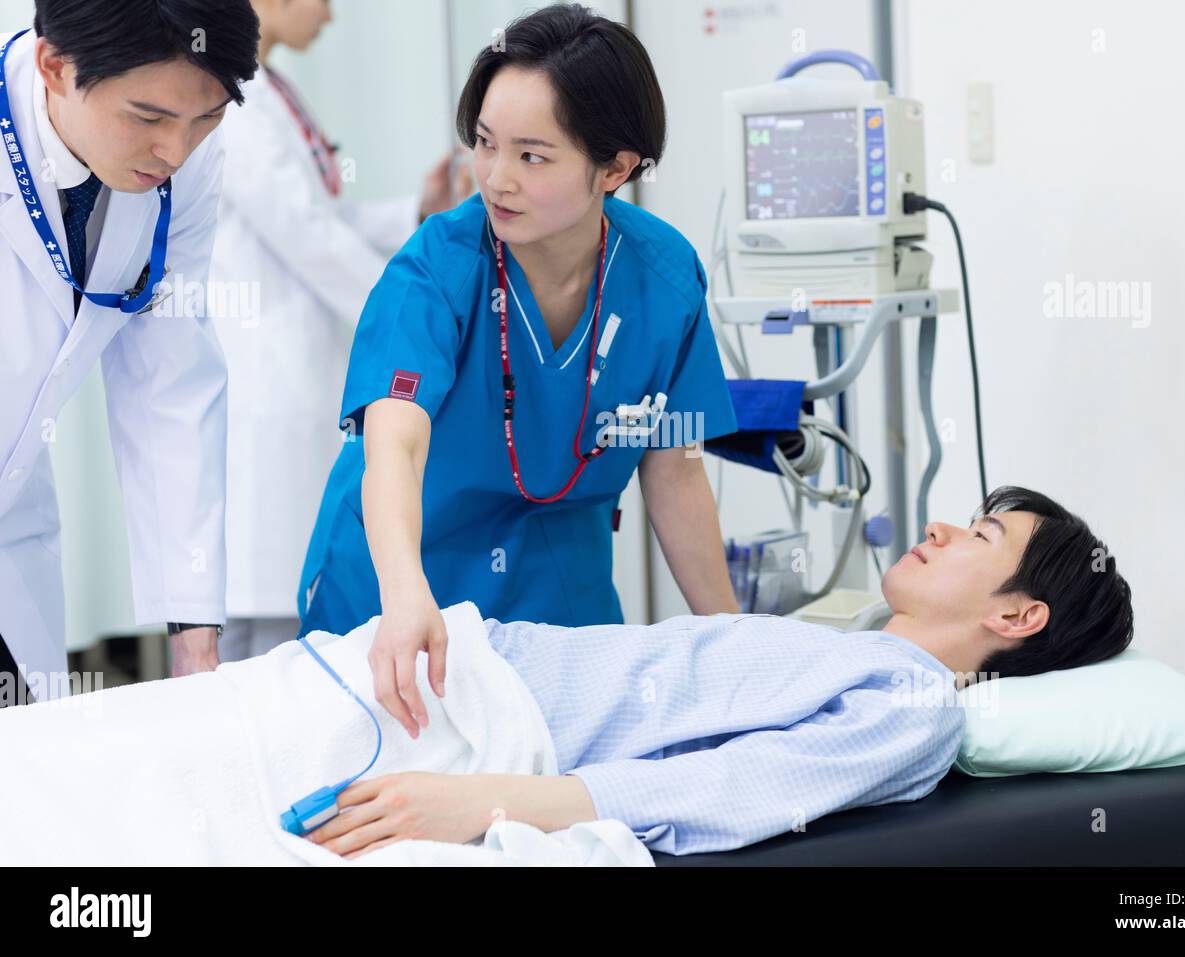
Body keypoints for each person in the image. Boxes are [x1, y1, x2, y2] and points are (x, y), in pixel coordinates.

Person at [296, 4, 740, 737]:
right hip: (399, 585)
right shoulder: (436, 268)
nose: (496, 179)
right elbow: (394, 444)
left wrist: (735, 643)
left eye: (532, 156)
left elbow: (675, 471)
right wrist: (404, 594)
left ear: (616, 167)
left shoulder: (664, 278)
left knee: (563, 789)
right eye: (485, 143)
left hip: (558, 595)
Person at [302, 486, 1135, 857]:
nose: (941, 528)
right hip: (459, 665)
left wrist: (480, 803)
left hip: (473, 727)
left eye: (981, 537)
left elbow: (722, 787)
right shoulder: (859, 648)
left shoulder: (918, 704)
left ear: (1018, 617)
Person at [0, 0, 259, 707]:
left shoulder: (181, 165)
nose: (175, 151)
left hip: (13, 529)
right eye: (147, 118)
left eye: (207, 117)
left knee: (30, 758)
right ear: (56, 67)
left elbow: (168, 378)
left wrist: (193, 628)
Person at [208, 0, 473, 663]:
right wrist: (413, 311)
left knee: (287, 609)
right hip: (267, 380)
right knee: (257, 636)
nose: (329, 13)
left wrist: (415, 212)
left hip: (296, 371)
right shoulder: (230, 100)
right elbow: (309, 237)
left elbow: (320, 219)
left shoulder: (268, 87)